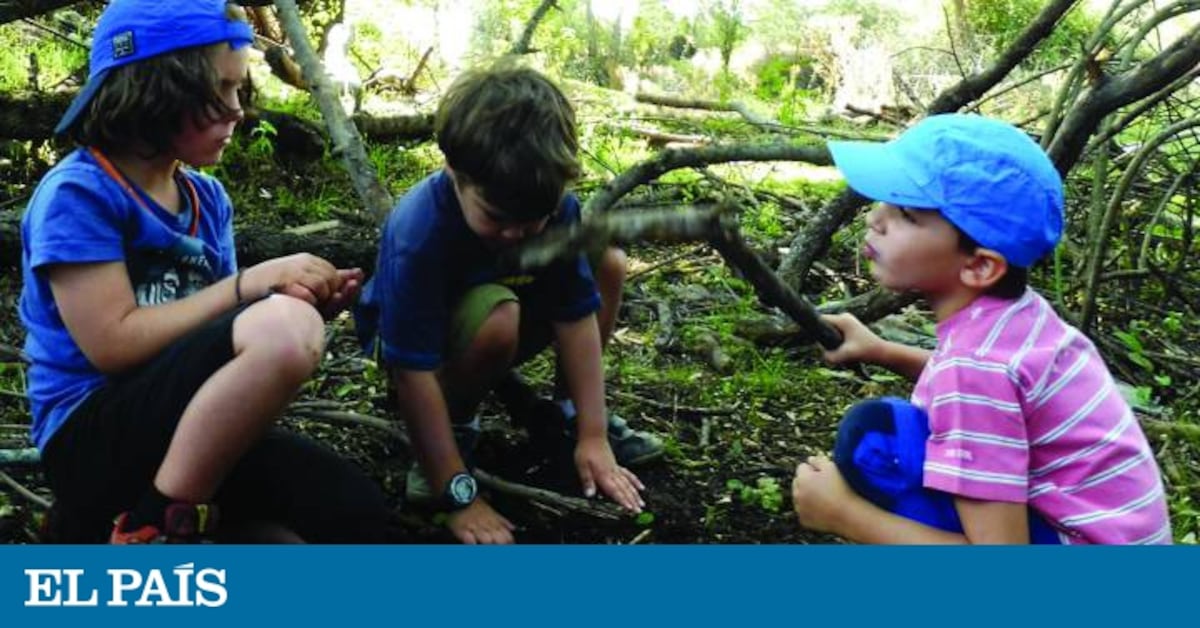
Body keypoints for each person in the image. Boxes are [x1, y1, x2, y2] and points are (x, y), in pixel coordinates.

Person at [20, 0, 389, 543]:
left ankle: (160, 520)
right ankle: (154, 522)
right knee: (283, 328)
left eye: (239, 90)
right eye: (220, 90)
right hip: (90, 442)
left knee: (355, 511)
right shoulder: (79, 193)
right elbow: (112, 344)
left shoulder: (207, 200)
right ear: (159, 86)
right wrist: (253, 293)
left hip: (189, 431)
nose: (237, 109)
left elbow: (226, 336)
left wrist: (293, 303)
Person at [790, 114, 1172, 545]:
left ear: (979, 265)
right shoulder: (1020, 318)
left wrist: (844, 514)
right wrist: (882, 350)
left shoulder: (973, 366)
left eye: (908, 215)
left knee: (875, 441)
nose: (876, 219)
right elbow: (1000, 395)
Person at [354, 62, 662, 544]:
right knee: (499, 315)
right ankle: (450, 441)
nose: (518, 233)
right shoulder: (420, 234)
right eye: (498, 217)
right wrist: (456, 494)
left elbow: (577, 315)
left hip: (497, 306)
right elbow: (411, 372)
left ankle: (565, 417)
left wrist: (593, 434)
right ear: (454, 171)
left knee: (608, 263)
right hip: (420, 354)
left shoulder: (556, 210)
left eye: (534, 219)